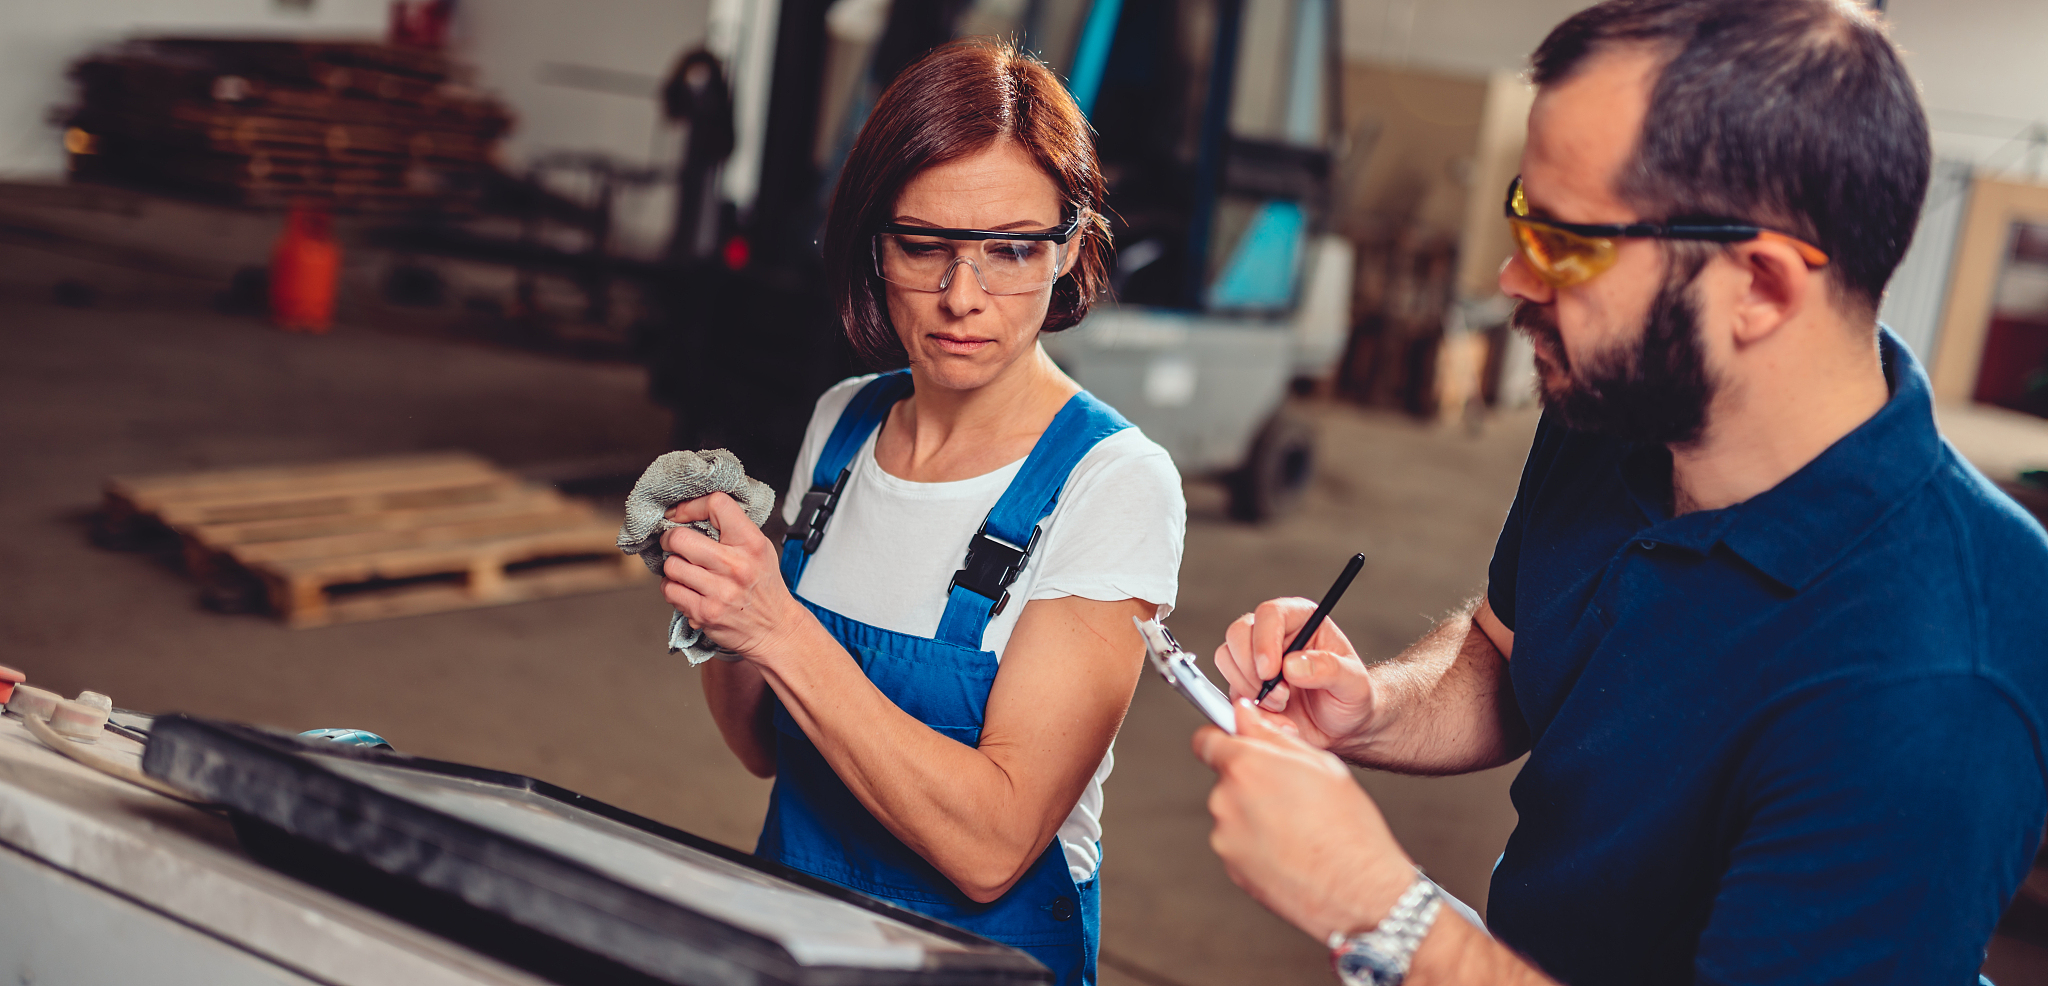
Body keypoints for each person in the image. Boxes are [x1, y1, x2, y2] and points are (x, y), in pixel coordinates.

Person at [1194, 1, 2048, 984]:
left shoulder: (1938, 672)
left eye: (1567, 244)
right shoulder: (1622, 404)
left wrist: (1383, 911)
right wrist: (1373, 707)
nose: (1513, 278)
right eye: (1525, 214)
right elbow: (1508, 650)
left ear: (1760, 287)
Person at [655, 39, 1185, 986]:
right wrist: (719, 597)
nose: (962, 298)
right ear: (876, 243)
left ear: (1069, 248)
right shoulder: (841, 424)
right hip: (795, 942)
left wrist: (779, 627)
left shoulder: (1114, 484)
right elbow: (762, 748)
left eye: (1011, 250)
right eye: (925, 245)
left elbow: (992, 847)